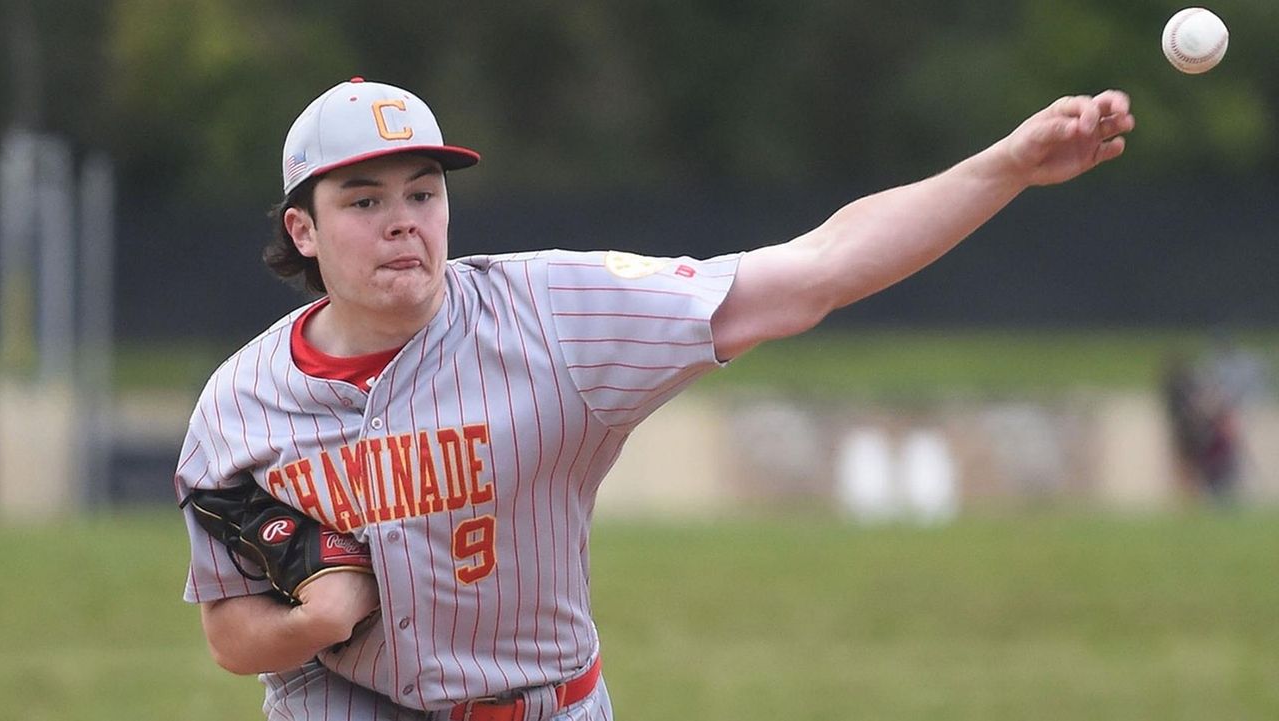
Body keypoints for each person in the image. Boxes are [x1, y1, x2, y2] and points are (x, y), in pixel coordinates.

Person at [174, 76, 1135, 720]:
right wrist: (312, 622)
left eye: (421, 193)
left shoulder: (550, 319)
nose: (403, 224)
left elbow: (812, 273)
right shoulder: (241, 407)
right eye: (364, 200)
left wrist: (1005, 165)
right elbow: (229, 633)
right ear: (302, 228)